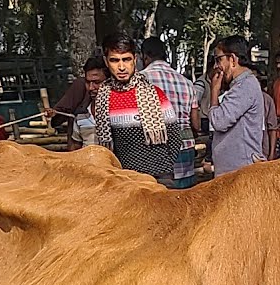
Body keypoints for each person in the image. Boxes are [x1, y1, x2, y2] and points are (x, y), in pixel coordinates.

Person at [93, 33, 188, 185]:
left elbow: (174, 138)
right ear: (106, 61)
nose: (121, 67)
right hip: (126, 181)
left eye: (126, 59)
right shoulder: (103, 99)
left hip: (160, 179)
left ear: (135, 59)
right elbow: (105, 147)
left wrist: (163, 169)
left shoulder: (154, 94)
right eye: (115, 60)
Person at [140, 36, 197, 189]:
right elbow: (196, 124)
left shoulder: (140, 80)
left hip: (154, 151)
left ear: (145, 57)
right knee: (184, 197)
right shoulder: (187, 82)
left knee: (157, 197)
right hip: (184, 148)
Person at [207, 35, 264, 175]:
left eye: (218, 59)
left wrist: (214, 92)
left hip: (240, 171)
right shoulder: (240, 85)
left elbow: (219, 122)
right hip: (234, 170)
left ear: (232, 59)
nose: (216, 66)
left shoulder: (245, 85)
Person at [67, 58, 108, 150]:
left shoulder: (117, 112)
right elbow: (76, 148)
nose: (91, 88)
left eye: (96, 82)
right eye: (88, 82)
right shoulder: (81, 115)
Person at [260, 75, 278, 160]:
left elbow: (273, 129)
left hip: (263, 149)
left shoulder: (267, 100)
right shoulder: (238, 99)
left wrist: (271, 153)